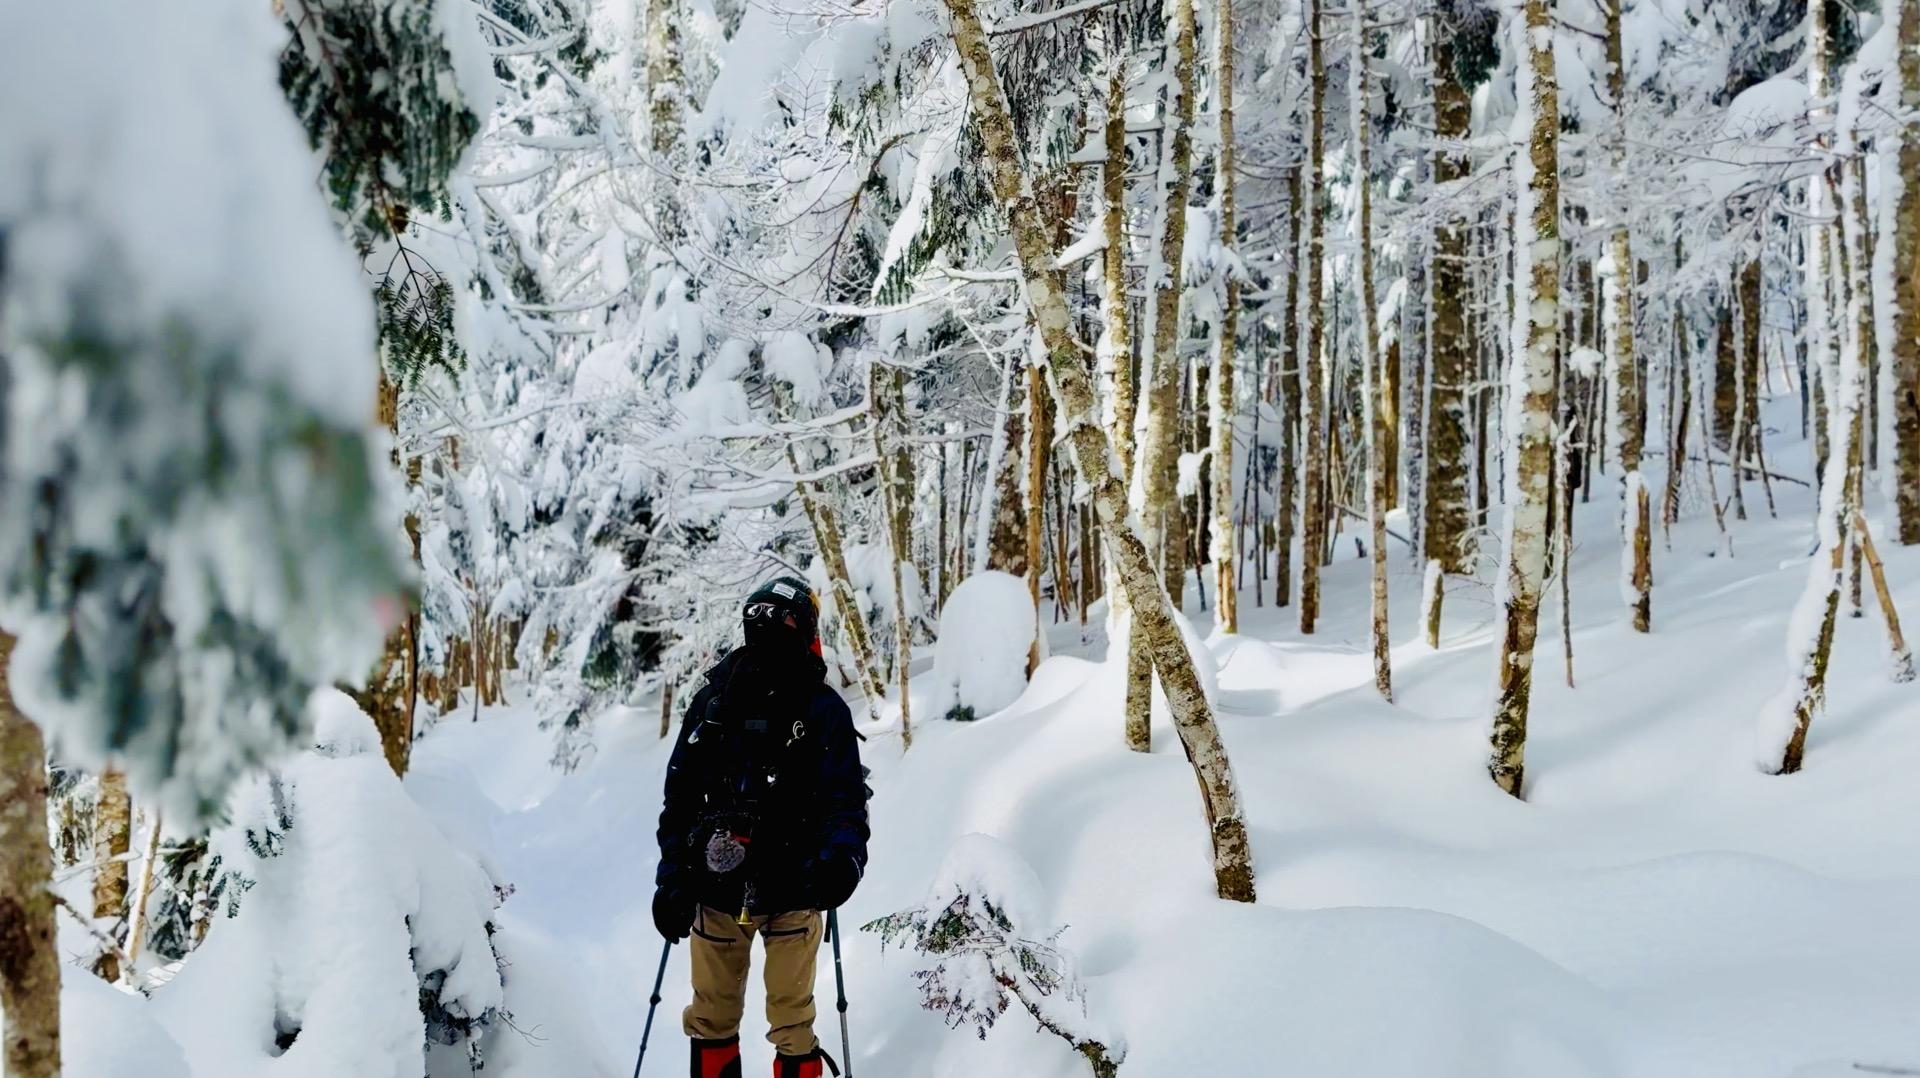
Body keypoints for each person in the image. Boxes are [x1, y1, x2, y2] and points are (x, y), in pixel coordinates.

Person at [653, 577, 870, 1078]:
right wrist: (673, 879)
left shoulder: (819, 710)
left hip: (787, 884)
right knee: (736, 1021)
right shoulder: (718, 703)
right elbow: (680, 799)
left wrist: (843, 863)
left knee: (757, 1023)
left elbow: (845, 806)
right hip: (737, 883)